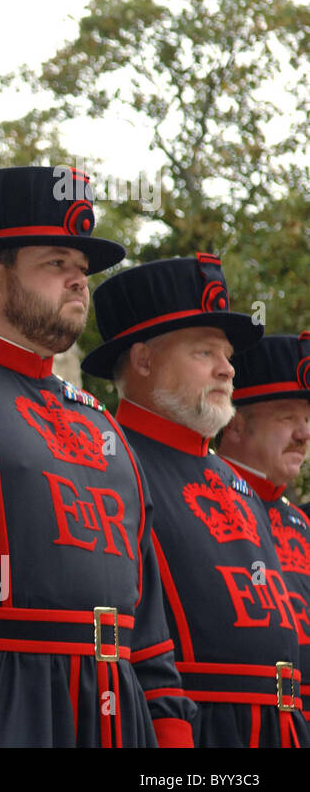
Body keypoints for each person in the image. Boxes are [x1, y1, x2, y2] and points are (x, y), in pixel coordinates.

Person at [0, 167, 194, 747]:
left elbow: (149, 624)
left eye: (82, 270)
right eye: (56, 264)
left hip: (119, 714)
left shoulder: (103, 424)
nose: (79, 283)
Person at [84, 261, 305, 746]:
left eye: (226, 355)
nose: (227, 368)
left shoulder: (233, 478)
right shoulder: (108, 458)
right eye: (205, 351)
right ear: (143, 360)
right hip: (190, 726)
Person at [217, 332, 310, 723]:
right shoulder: (199, 503)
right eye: (288, 417)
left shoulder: (301, 522)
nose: (304, 434)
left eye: (307, 419)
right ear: (236, 425)